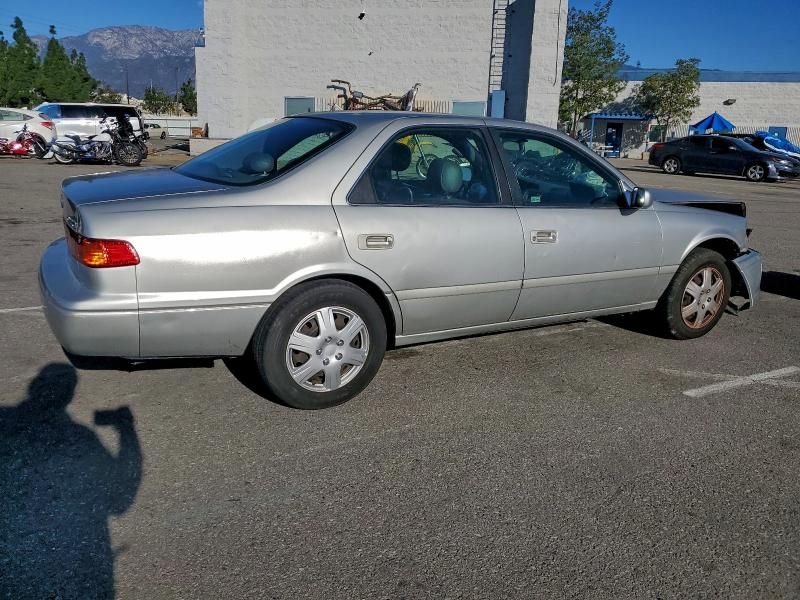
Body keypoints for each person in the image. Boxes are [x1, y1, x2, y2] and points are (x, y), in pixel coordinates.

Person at [0, 363, 142, 599]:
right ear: (70, 396)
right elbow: (120, 499)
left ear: (34, 387)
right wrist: (126, 431)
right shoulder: (81, 439)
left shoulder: (4, 422)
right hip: (80, 574)